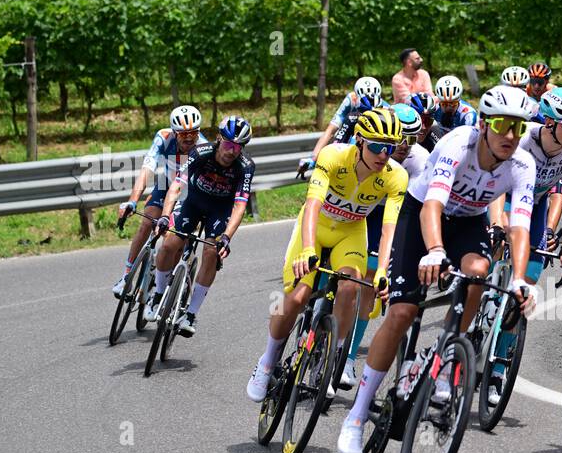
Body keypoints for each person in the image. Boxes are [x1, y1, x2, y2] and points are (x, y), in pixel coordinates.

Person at [337, 86, 537, 453]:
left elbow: (520, 228)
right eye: (501, 125)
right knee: (401, 312)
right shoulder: (458, 144)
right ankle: (357, 414)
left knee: (479, 271)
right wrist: (435, 252)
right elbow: (432, 204)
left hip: (467, 222)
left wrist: (522, 279)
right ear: (482, 124)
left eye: (518, 128)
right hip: (422, 214)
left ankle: (445, 363)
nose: (510, 135)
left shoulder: (524, 165)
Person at [246, 109, 407, 402]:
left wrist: (383, 269)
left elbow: (388, 230)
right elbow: (313, 205)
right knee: (297, 296)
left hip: (351, 232)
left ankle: (330, 358)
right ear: (359, 141)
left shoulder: (396, 176)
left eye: (390, 147)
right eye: (376, 146)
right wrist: (308, 249)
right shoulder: (333, 156)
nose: (384, 154)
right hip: (315, 229)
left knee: (350, 287)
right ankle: (267, 361)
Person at [481, 87, 562, 406]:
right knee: (492, 252)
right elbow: (496, 184)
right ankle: (481, 300)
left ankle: (498, 368)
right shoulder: (524, 139)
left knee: (526, 285)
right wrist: (499, 224)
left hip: (534, 205)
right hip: (500, 195)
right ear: (549, 123)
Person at [337, 103, 428, 387]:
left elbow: (410, 213)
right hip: (354, 207)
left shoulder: (419, 161)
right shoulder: (363, 145)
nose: (403, 146)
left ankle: (348, 358)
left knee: (366, 281)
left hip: (387, 213)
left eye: (412, 140)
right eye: (400, 138)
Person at [144, 116, 256, 336]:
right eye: (228, 144)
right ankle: (157, 295)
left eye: (238, 147)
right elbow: (176, 186)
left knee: (212, 252)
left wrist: (227, 237)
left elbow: (240, 207)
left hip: (220, 209)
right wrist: (166, 216)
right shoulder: (200, 152)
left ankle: (191, 313)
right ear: (219, 139)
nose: (232, 151)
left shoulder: (246, 167)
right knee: (169, 244)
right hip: (193, 201)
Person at [113, 105, 206, 296]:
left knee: (172, 236)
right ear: (174, 132)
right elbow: (147, 170)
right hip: (165, 185)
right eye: (183, 134)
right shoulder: (163, 137)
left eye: (193, 133)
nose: (189, 138)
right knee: (147, 221)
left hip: (187, 192)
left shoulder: (203, 147)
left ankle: (166, 282)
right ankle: (126, 277)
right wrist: (132, 201)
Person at [427, 75, 478, 145]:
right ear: (439, 100)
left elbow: (468, 141)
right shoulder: (434, 107)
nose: (448, 107)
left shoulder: (468, 114)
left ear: (459, 100)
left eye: (452, 103)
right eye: (444, 103)